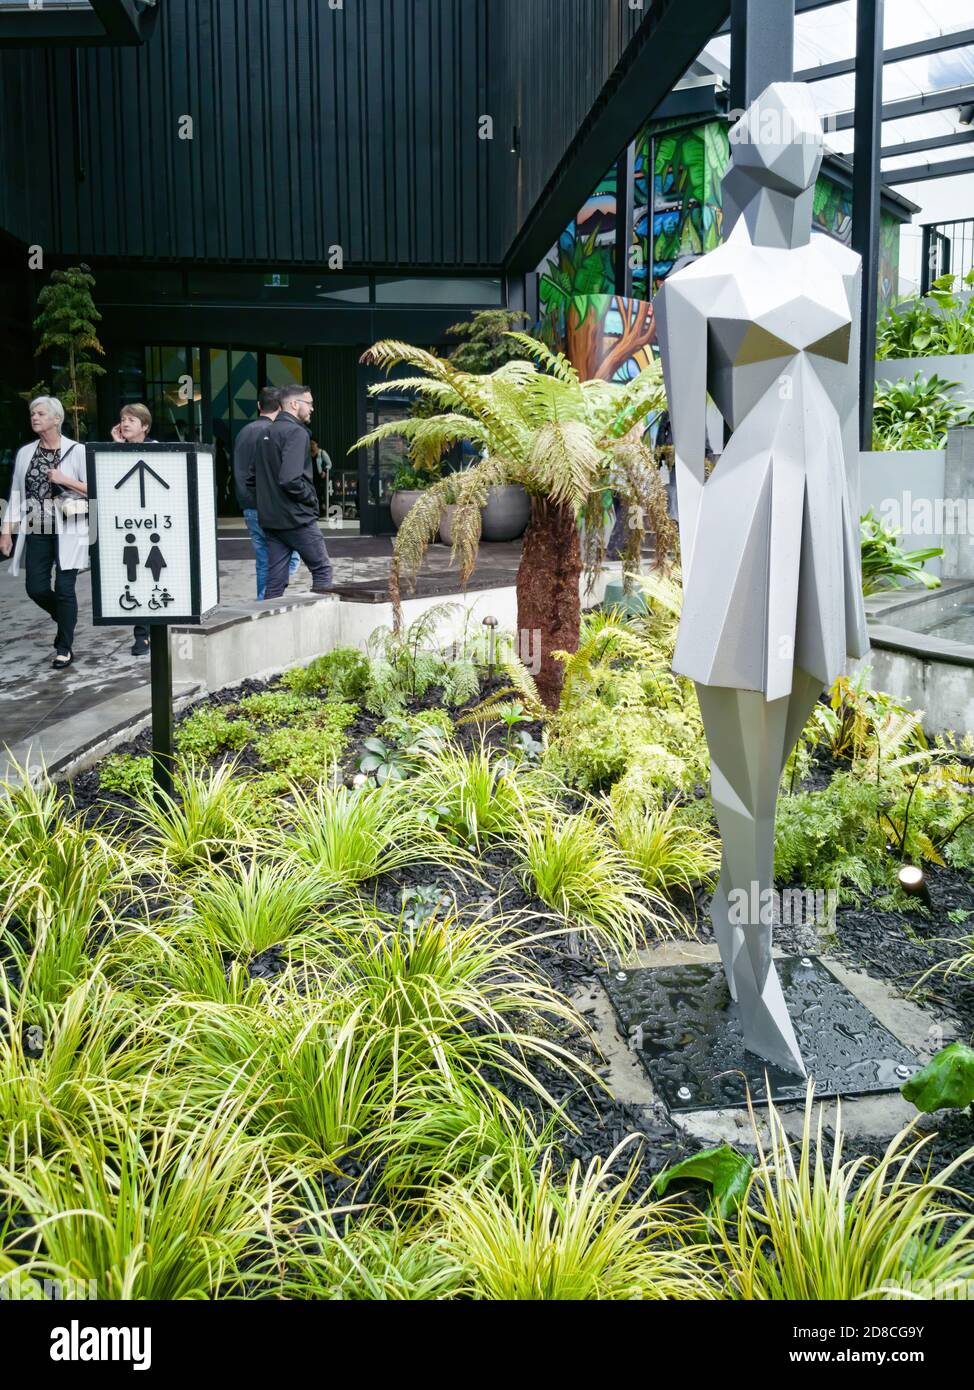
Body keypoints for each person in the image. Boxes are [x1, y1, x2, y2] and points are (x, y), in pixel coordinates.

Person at [0, 396, 88, 670]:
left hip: (70, 529)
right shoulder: (27, 452)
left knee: (64, 588)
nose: (34, 417)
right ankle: (63, 616)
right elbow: (16, 493)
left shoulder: (77, 451)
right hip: (37, 528)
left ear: (56, 419)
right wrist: (6, 531)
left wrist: (64, 480)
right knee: (35, 587)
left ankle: (64, 648)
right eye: (32, 414)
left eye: (40, 413)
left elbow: (96, 488)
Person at [249, 384, 332, 599]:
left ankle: (268, 629)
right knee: (322, 570)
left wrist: (267, 502)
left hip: (272, 521)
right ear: (294, 404)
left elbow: (252, 478)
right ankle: (322, 627)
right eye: (310, 404)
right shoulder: (297, 433)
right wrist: (311, 499)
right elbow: (290, 479)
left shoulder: (265, 432)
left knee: (275, 582)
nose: (312, 408)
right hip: (297, 519)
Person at [232, 387, 298, 600]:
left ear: (259, 406)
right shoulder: (273, 433)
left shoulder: (243, 432)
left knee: (264, 559)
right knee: (292, 554)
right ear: (280, 407)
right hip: (271, 507)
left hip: (248, 505)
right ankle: (269, 597)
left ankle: (265, 600)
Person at [111, 403, 156, 655]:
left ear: (145, 426)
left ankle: (147, 632)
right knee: (133, 575)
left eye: (131, 420)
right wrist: (119, 447)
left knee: (151, 574)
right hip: (126, 523)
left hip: (153, 522)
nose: (125, 424)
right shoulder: (116, 451)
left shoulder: (157, 450)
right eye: (123, 419)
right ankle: (142, 632)